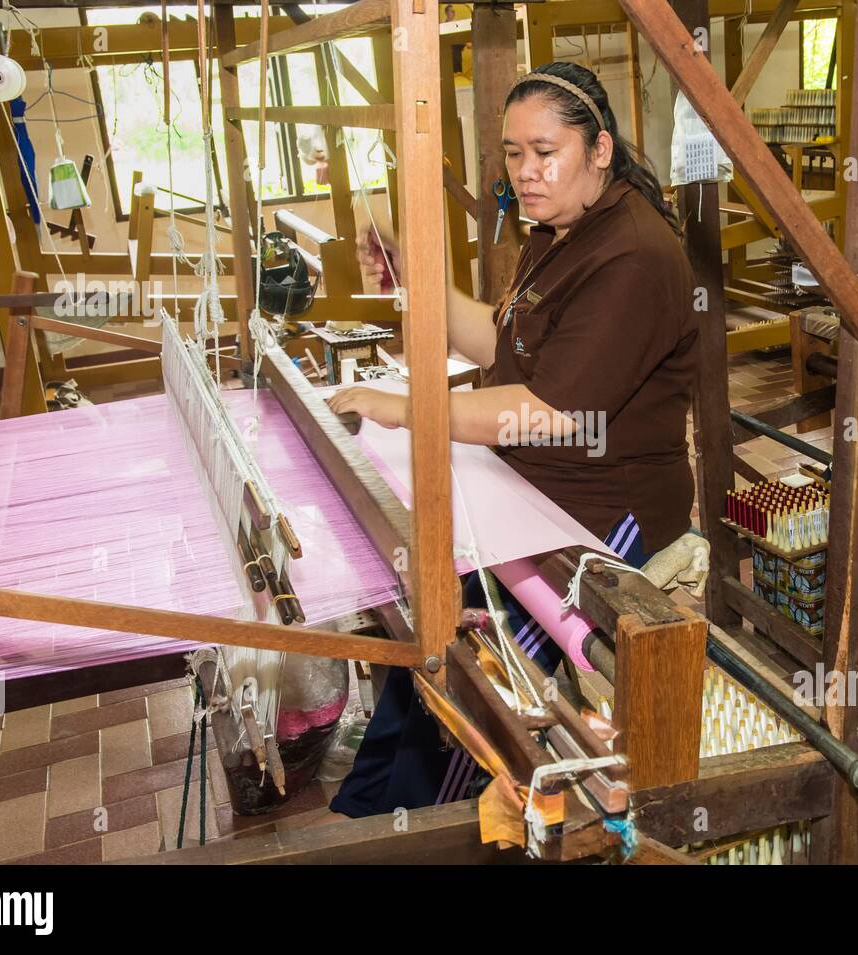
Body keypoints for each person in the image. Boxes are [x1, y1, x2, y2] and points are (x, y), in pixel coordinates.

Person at [327, 61, 699, 817]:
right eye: (511, 153)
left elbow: (547, 410)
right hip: (523, 498)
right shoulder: (559, 230)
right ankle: (365, 821)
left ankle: (431, 827)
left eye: (544, 151)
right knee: (431, 650)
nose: (524, 172)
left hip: (598, 515)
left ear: (599, 148)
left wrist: (405, 407)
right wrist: (410, 274)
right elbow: (499, 347)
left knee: (485, 704)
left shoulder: (633, 254)